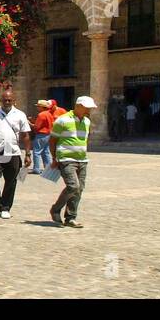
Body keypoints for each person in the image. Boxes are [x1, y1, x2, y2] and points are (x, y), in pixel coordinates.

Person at [0, 88, 32, 220]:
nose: (7, 102)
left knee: (11, 181)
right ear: (0, 101)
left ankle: (5, 207)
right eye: (5, 100)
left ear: (14, 101)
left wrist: (28, 154)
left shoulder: (20, 115)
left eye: (10, 100)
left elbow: (25, 135)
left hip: (13, 153)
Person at [50, 95, 96, 228]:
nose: (89, 110)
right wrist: (54, 158)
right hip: (66, 159)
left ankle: (70, 217)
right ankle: (55, 209)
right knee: (73, 186)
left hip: (82, 159)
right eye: (87, 108)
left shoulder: (86, 121)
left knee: (79, 189)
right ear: (79, 106)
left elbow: (85, 139)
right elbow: (53, 140)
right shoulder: (62, 120)